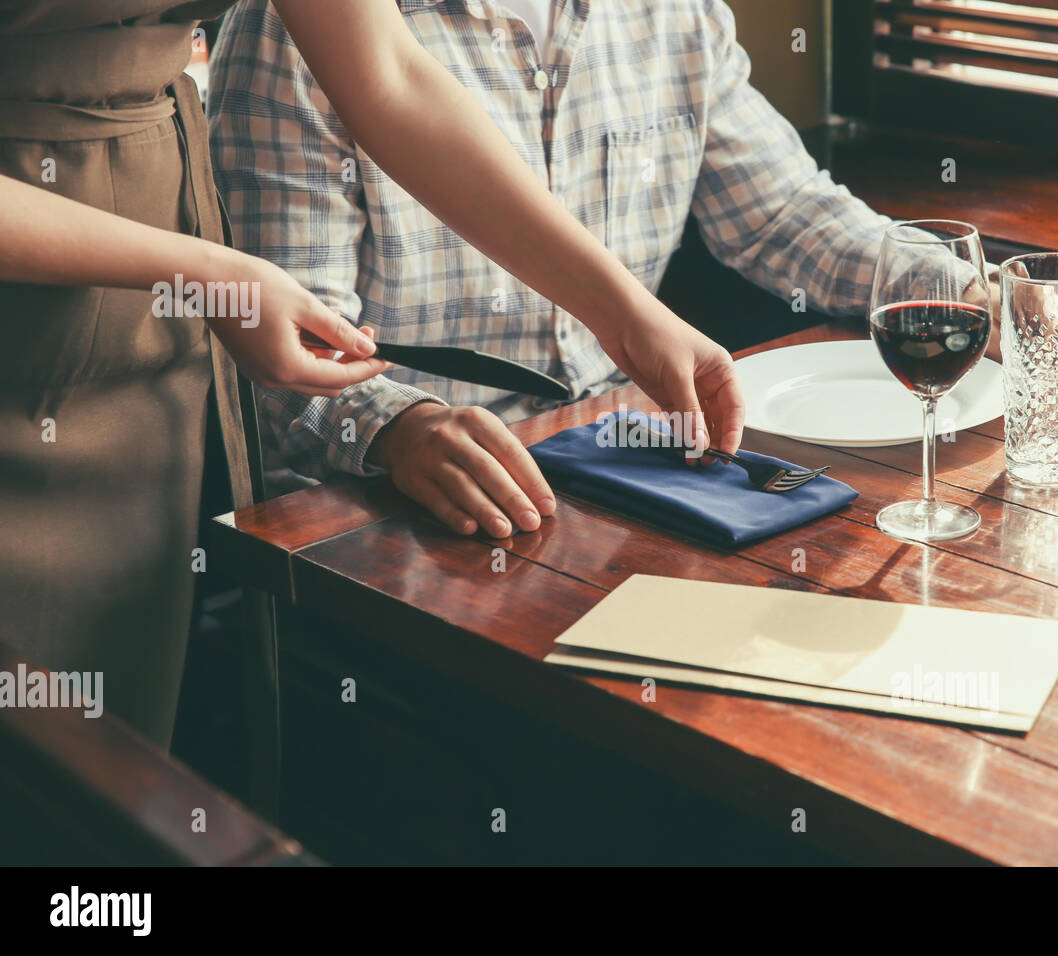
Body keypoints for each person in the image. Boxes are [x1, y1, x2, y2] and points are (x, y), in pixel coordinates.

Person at [0, 0, 742, 748]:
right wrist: (202, 271)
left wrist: (623, 315)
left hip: (149, 285)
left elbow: (391, 76)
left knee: (99, 757)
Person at [209, 0, 1058, 542]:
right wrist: (401, 427)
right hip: (405, 518)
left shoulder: (673, 12)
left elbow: (783, 214)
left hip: (638, 475)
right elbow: (285, 359)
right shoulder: (294, 33)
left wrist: (973, 291)